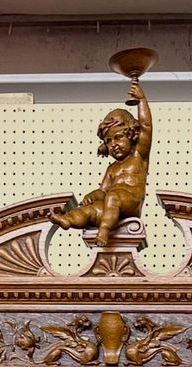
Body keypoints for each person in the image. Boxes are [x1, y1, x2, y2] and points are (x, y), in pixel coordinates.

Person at [51, 82, 152, 247]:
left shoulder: (139, 155)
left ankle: (104, 231)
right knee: (90, 210)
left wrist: (141, 100)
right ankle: (68, 219)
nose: (113, 144)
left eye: (118, 137)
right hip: (112, 206)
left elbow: (146, 126)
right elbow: (103, 191)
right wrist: (92, 196)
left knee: (114, 197)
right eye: (108, 141)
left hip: (131, 203)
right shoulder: (112, 168)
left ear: (132, 135)